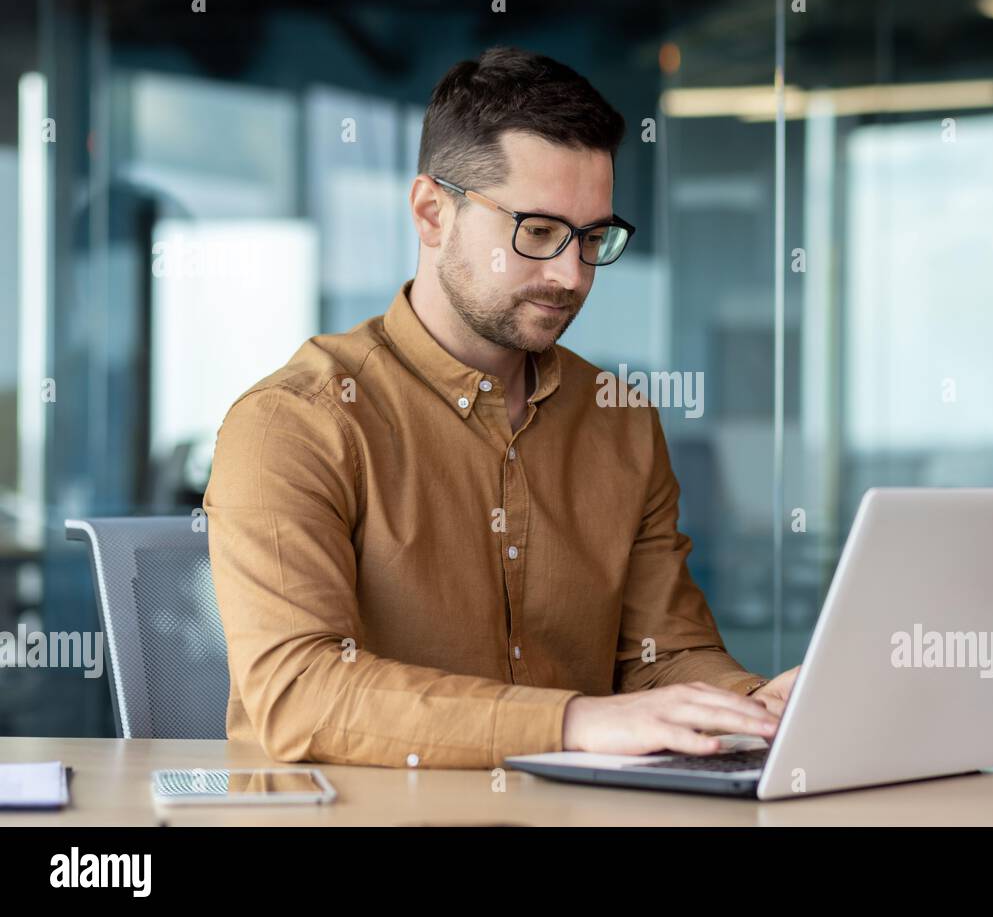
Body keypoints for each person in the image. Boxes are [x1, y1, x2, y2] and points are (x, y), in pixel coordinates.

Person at [204, 45, 799, 769]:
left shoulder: (620, 421)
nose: (570, 275)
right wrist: (574, 722)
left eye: (591, 238)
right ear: (431, 212)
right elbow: (302, 693)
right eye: (538, 232)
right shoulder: (295, 422)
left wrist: (756, 705)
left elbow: (660, 657)